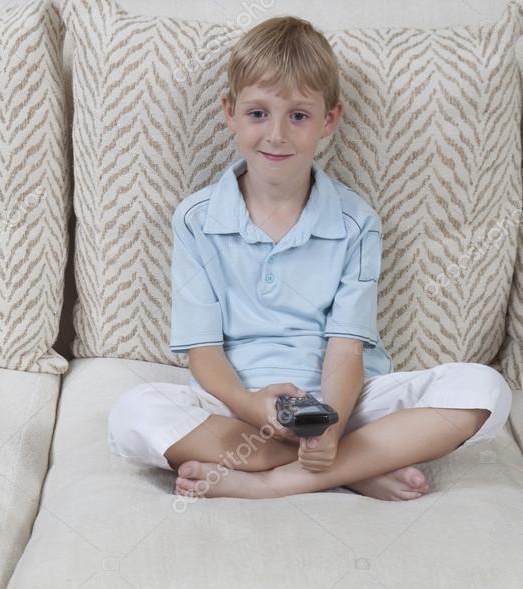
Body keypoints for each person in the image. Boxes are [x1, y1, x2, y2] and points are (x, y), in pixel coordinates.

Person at [107, 15, 512, 502]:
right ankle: (357, 468)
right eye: (258, 113)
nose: (276, 134)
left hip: (342, 403)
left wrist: (333, 429)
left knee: (484, 389)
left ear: (329, 120)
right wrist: (253, 406)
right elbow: (204, 353)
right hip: (237, 405)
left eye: (298, 115)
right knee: (133, 415)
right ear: (229, 112)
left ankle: (275, 481)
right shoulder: (196, 218)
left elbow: (346, 350)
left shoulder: (355, 222)